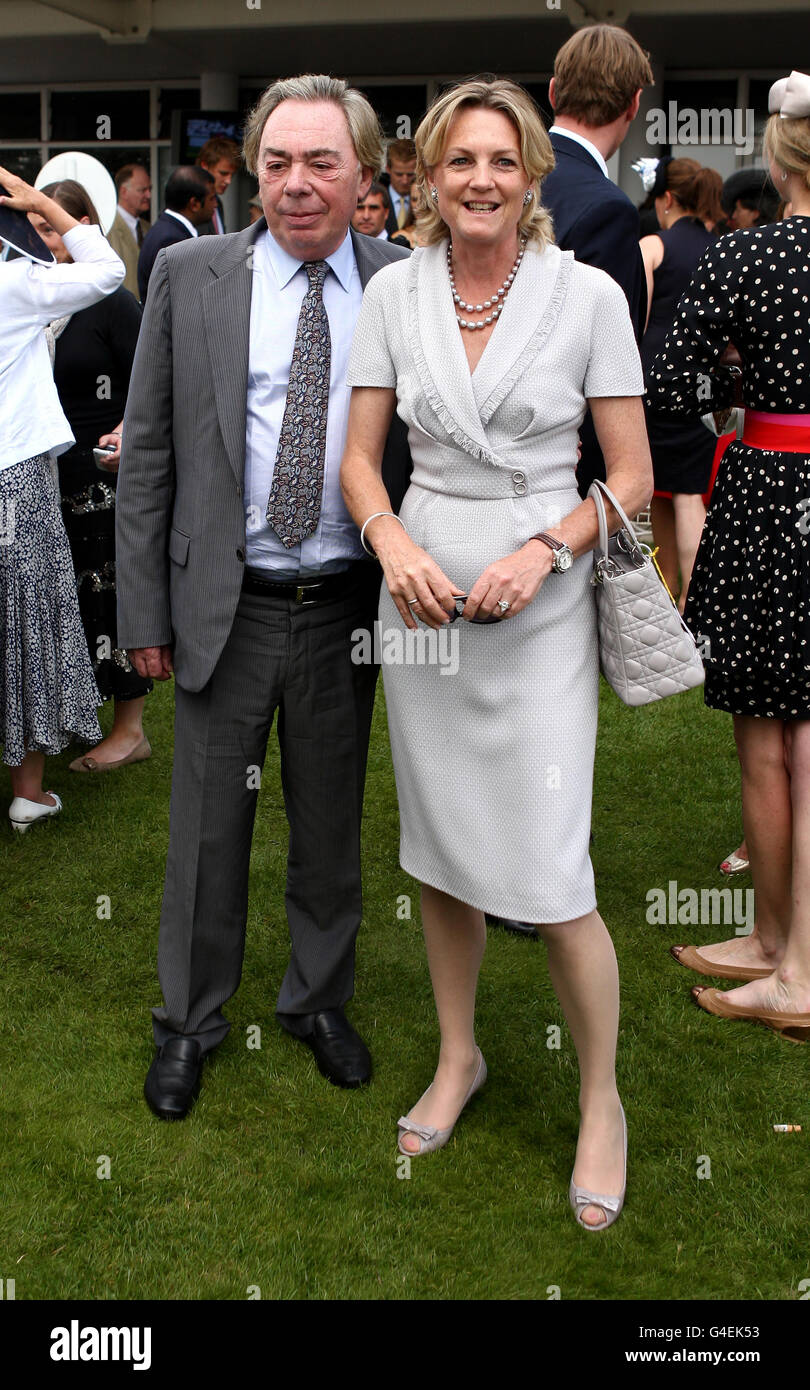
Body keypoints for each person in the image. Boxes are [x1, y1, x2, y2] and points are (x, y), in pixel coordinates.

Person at [340, 78, 652, 1228]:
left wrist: (546, 547)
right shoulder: (392, 291)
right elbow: (363, 461)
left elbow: (626, 477)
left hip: (542, 595)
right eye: (457, 160)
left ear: (532, 177)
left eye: (502, 160)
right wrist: (388, 540)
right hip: (419, 591)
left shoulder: (586, 296)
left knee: (556, 870)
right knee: (439, 846)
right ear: (427, 175)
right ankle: (460, 1054)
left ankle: (601, 1099)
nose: (479, 179)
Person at [115, 74, 412, 1121]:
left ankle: (317, 1001)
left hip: (345, 609)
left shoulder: (401, 283)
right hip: (223, 609)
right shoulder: (188, 275)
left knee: (331, 826)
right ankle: (191, 1021)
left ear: (364, 175)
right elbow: (147, 453)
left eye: (320, 162)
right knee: (207, 833)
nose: (295, 184)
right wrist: (142, 616)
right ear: (251, 168)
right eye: (276, 161)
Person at [647, 71, 810, 1043]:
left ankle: (789, 960)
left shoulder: (749, 259)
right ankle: (774, 946)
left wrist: (744, 380)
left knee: (770, 733)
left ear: (780, 158)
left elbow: (673, 382)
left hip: (767, 485)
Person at [0, 165, 124, 830]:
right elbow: (106, 269)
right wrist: (41, 200)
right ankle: (27, 791)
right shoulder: (17, 284)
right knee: (25, 623)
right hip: (15, 474)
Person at [28, 179, 152, 772]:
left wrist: (129, 431)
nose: (46, 242)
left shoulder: (112, 301)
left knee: (112, 593)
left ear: (84, 225)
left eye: (53, 228)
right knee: (70, 598)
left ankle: (131, 729)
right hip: (47, 473)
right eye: (38, 232)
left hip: (103, 475)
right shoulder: (42, 295)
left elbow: (152, 379)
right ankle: (84, 713)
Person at [541, 23, 653, 499]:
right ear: (634, 104)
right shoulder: (606, 208)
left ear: (552, 91)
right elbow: (606, 365)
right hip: (561, 473)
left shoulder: (506, 175)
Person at [639, 158, 722, 610]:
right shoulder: (723, 248)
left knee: (679, 493)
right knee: (678, 489)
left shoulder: (653, 244)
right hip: (703, 382)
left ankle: (690, 594)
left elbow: (639, 315)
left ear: (667, 199)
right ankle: (674, 589)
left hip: (654, 381)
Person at [136, 166, 217, 303]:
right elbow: (182, 300)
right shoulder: (171, 239)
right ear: (194, 204)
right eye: (212, 198)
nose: (215, 205)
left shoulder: (166, 230)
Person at [107, 163, 152, 300]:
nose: (148, 195)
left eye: (150, 189)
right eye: (142, 190)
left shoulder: (148, 228)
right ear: (123, 192)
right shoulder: (107, 228)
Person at [195, 135, 241, 236]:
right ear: (204, 166)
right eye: (223, 173)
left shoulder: (218, 204)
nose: (228, 181)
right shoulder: (192, 205)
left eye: (231, 175)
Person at [383, 137, 417, 238]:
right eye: (399, 174)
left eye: (410, 174)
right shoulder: (373, 198)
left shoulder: (428, 202)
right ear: (388, 169)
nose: (405, 180)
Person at [396, 176, 429, 249]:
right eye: (414, 199)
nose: (418, 205)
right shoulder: (400, 237)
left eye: (423, 199)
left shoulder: (445, 237)